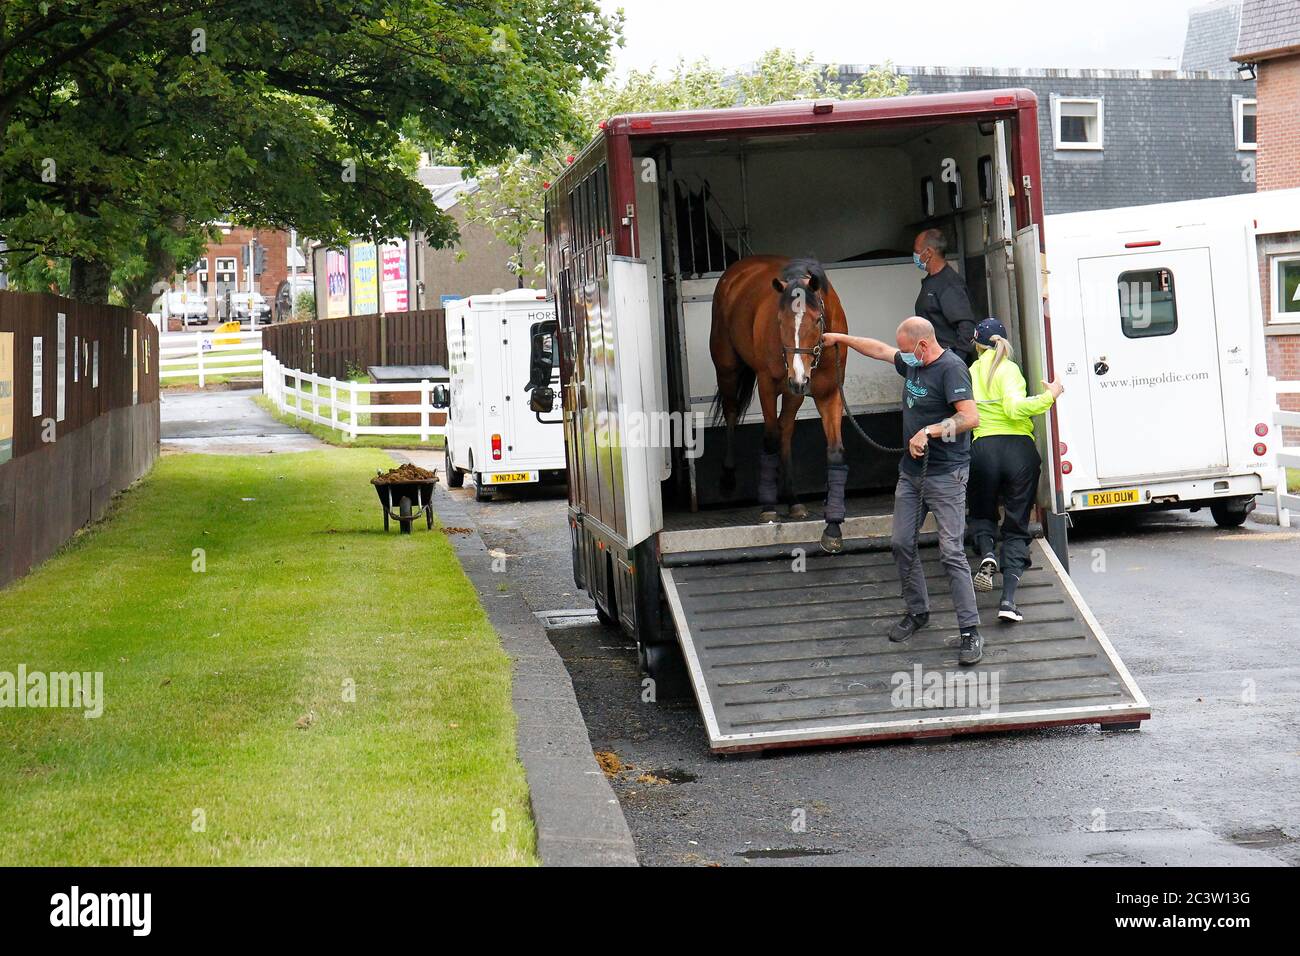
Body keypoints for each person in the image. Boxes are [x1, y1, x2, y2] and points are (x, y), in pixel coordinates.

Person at [821, 317, 984, 665]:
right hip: (911, 475)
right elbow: (880, 350)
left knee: (951, 552)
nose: (904, 358)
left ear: (923, 346)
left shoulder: (951, 369)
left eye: (908, 352)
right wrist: (841, 338)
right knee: (900, 543)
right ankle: (918, 610)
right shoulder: (913, 363)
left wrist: (930, 431)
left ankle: (970, 630)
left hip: (946, 476)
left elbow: (970, 418)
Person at [966, 318, 1064, 623]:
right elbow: (1013, 408)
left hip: (983, 451)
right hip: (1018, 452)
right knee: (1016, 525)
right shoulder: (1008, 369)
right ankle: (1008, 600)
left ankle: (987, 553)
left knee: (982, 514)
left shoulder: (971, 371)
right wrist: (1051, 395)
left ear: (978, 344)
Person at [913, 228, 977, 364]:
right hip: (933, 360)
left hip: (947, 362)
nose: (915, 256)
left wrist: (955, 362)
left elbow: (966, 327)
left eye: (917, 251)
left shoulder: (950, 284)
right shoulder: (930, 280)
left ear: (929, 252)